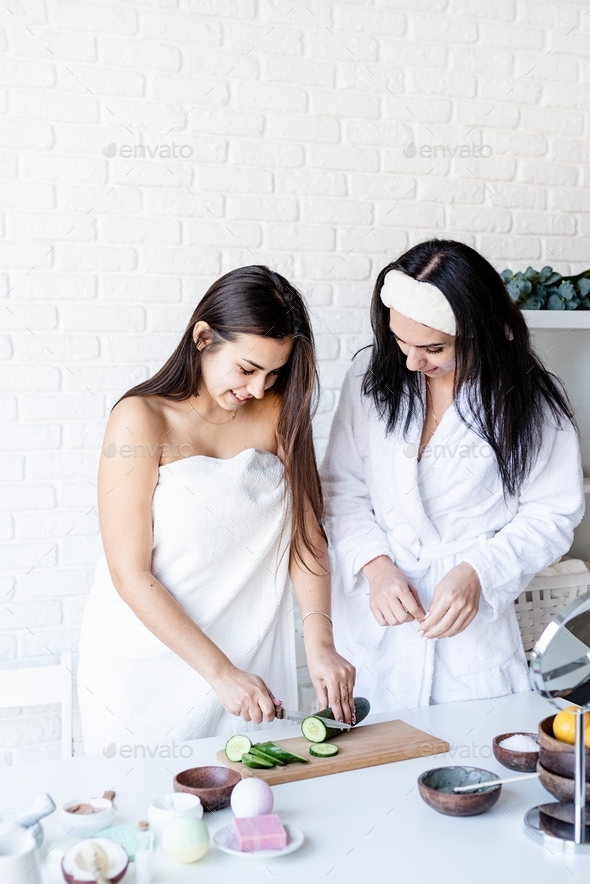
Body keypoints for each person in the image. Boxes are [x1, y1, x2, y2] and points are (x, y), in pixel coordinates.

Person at [78, 266, 355, 753]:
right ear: (203, 338)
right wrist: (220, 672)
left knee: (259, 810)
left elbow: (307, 537)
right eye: (248, 369)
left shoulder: (277, 411)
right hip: (148, 666)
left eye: (274, 373)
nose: (258, 388)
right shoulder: (141, 419)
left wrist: (321, 645)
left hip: (251, 668)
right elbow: (130, 574)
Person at [321, 240, 585, 712]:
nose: (411, 363)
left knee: (472, 763)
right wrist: (375, 566)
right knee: (373, 762)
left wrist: (480, 573)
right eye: (401, 342)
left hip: (471, 635)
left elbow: (553, 512)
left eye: (433, 348)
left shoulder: (530, 401)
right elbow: (342, 487)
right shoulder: (371, 376)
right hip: (379, 622)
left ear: (481, 332)